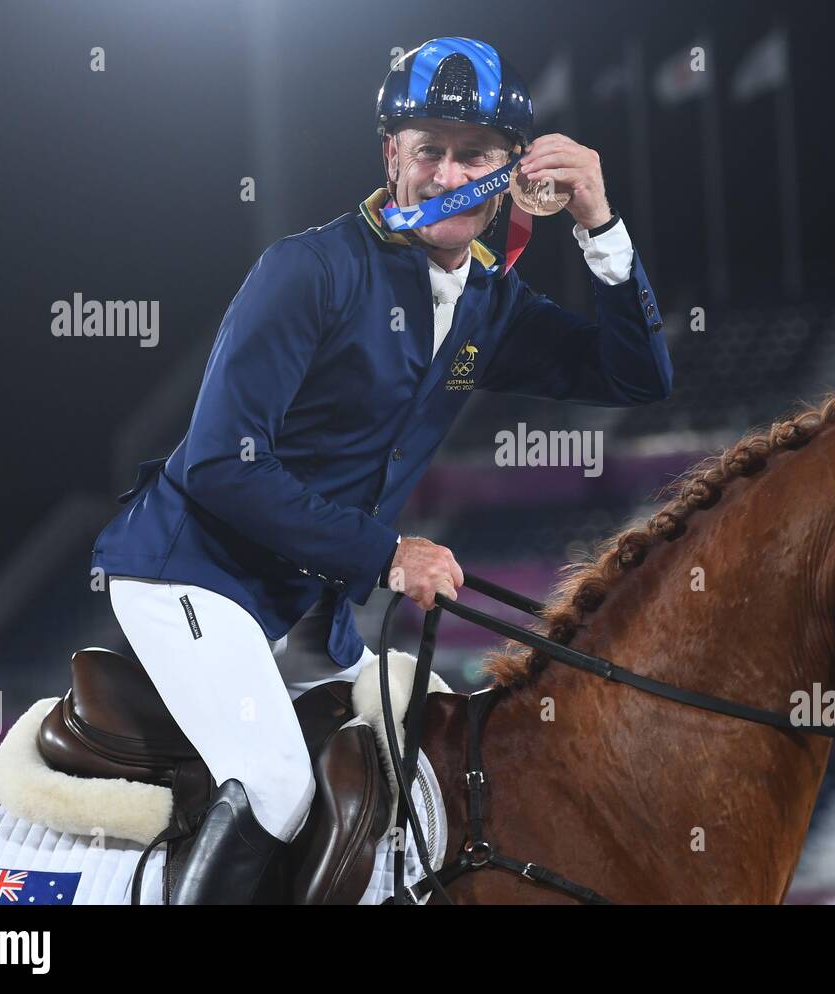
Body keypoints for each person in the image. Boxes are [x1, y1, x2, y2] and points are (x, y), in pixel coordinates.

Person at [91, 36, 672, 903]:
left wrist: (599, 221)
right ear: (391, 156)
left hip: (304, 615)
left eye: (472, 154)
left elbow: (638, 376)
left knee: (433, 758)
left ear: (515, 171)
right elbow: (217, 463)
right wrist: (388, 555)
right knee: (278, 784)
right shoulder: (306, 270)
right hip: (189, 576)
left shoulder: (489, 304)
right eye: (428, 150)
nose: (447, 175)